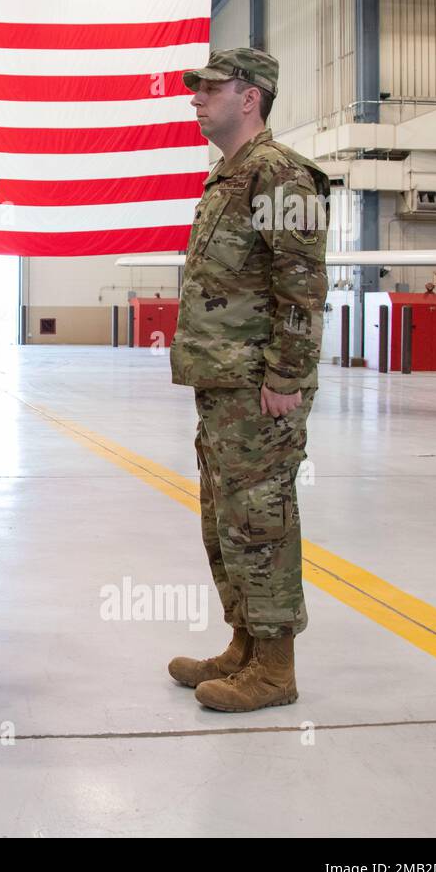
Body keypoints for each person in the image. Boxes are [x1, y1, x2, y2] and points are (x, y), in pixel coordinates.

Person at [168, 47, 330, 712]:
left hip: (261, 386)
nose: (197, 98)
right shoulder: (228, 176)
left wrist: (287, 374)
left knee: (261, 521)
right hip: (224, 383)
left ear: (250, 97)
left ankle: (276, 669)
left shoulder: (280, 174)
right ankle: (245, 646)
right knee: (226, 520)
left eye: (211, 88)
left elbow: (302, 283)